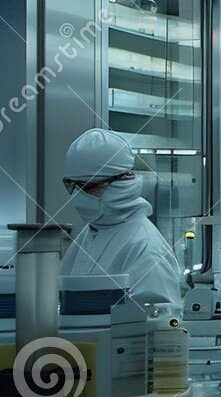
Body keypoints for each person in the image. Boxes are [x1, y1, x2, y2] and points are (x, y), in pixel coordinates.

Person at [59, 128, 183, 308]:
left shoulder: (146, 249)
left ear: (122, 182)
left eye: (89, 187)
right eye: (72, 186)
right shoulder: (93, 232)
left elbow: (159, 327)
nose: (78, 196)